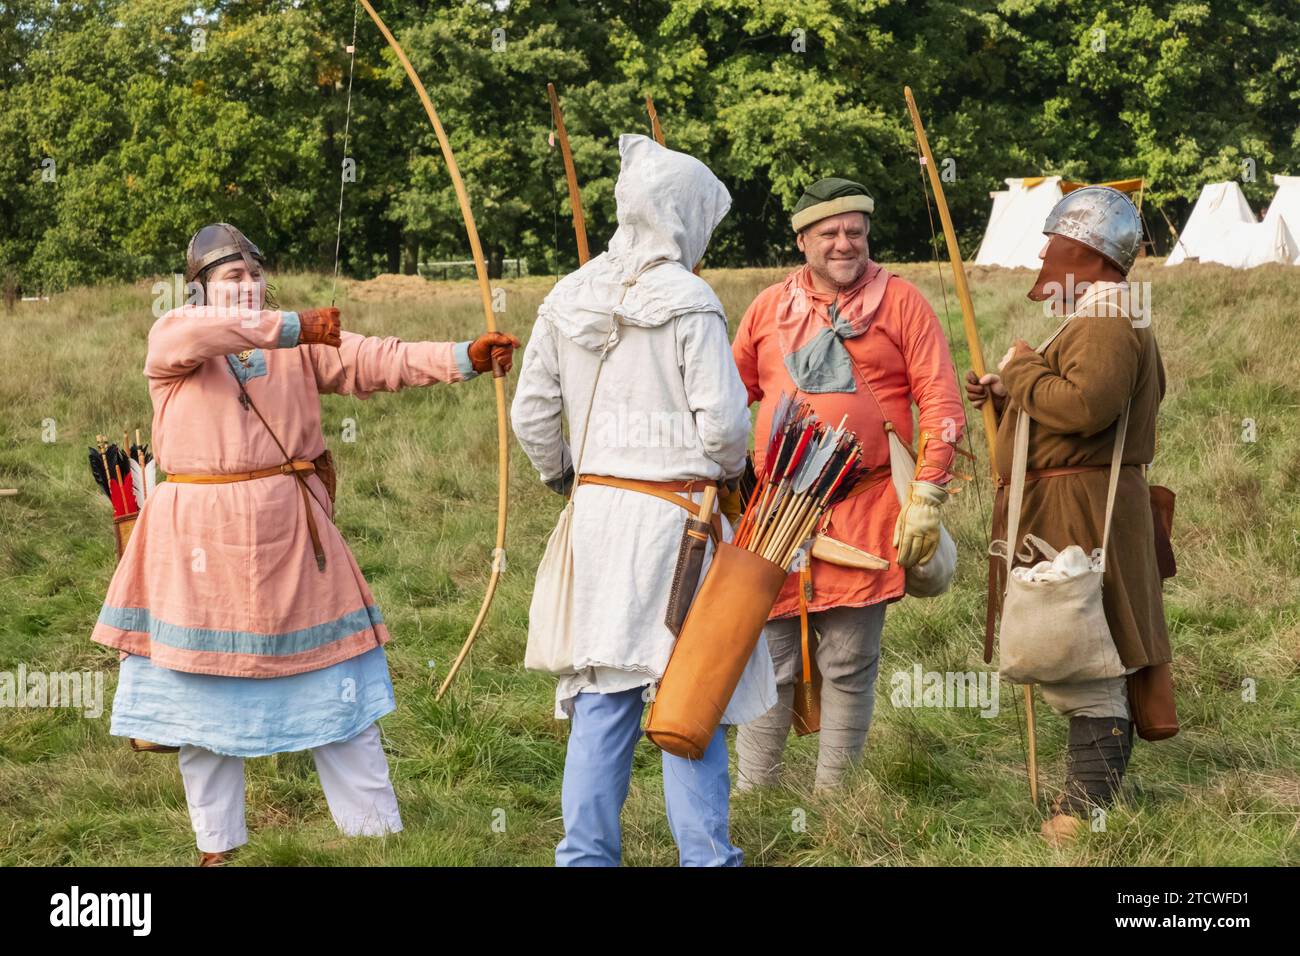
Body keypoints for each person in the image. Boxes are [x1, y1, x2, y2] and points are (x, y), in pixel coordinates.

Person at [91, 222, 519, 864]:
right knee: (201, 706)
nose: (250, 286)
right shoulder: (176, 333)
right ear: (199, 290)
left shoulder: (290, 341)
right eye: (233, 277)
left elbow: (375, 358)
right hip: (198, 549)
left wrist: (463, 357)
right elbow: (208, 333)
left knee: (339, 690)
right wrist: (291, 326)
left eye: (256, 275)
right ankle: (218, 850)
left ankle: (377, 843)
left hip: (293, 539)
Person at [511, 135, 776, 866]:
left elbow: (530, 416)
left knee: (604, 690)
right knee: (691, 685)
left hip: (596, 518)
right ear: (684, 214)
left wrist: (569, 478)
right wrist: (726, 475)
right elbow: (724, 427)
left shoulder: (567, 293)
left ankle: (587, 857)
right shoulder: (690, 298)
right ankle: (705, 858)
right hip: (678, 519)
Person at [731, 178, 965, 791]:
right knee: (772, 655)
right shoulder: (766, 308)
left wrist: (929, 495)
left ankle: (836, 800)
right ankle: (757, 793)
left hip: (866, 504)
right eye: (830, 232)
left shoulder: (904, 303)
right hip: (777, 507)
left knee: (847, 658)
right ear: (803, 239)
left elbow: (940, 399)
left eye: (855, 232)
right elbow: (732, 397)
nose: (844, 243)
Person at [966, 187, 1172, 845]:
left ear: (1082, 251)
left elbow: (1087, 406)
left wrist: (1023, 372)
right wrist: (1010, 393)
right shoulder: (1096, 312)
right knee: (1076, 645)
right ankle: (1082, 805)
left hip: (1089, 508)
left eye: (1051, 243)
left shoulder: (1109, 316)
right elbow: (1068, 399)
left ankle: (1083, 814)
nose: (1041, 255)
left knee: (1091, 652)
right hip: (1066, 504)